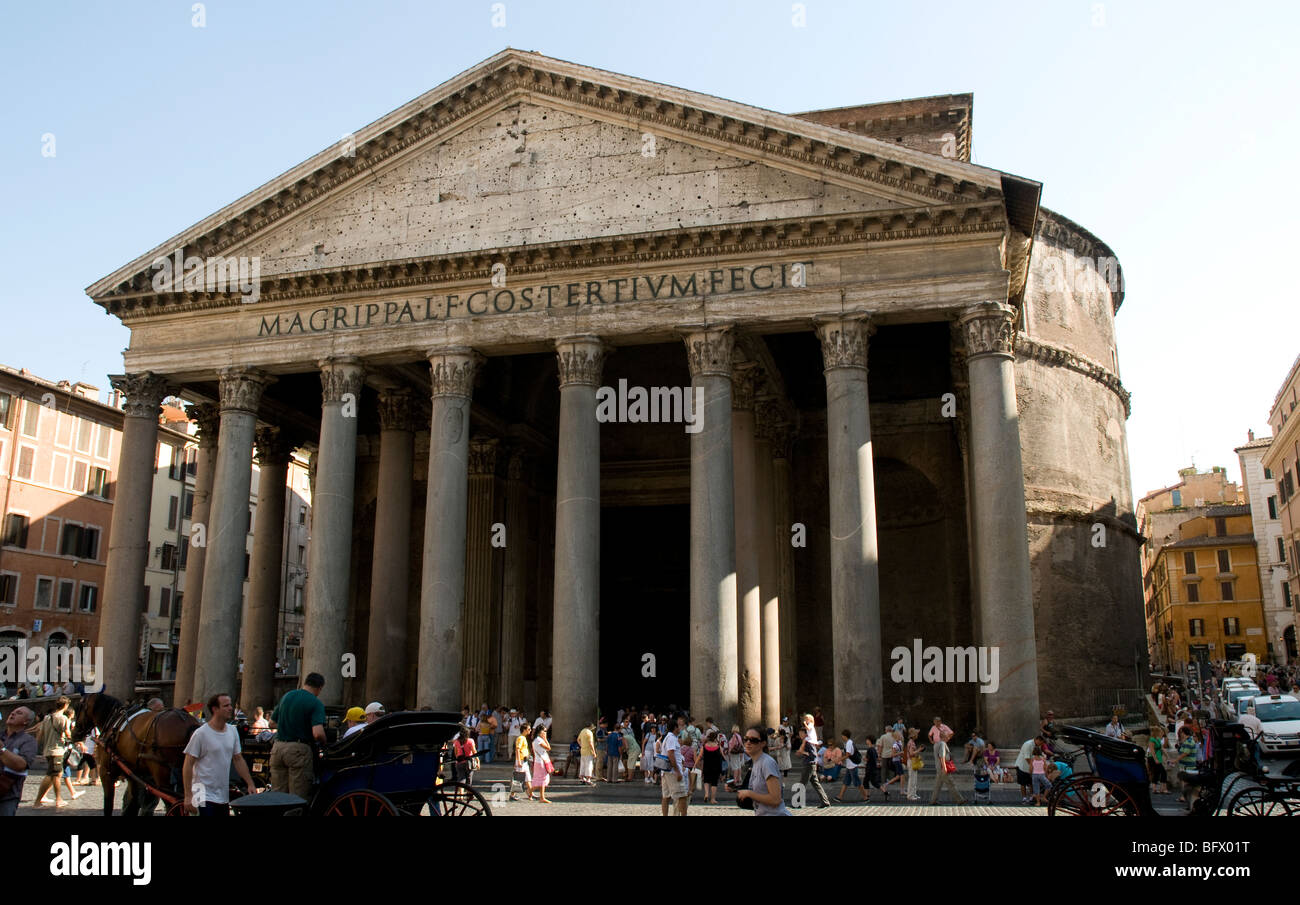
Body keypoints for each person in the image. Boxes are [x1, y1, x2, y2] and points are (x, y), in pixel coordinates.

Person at [183, 693, 257, 816]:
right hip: (200, 793)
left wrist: (250, 783)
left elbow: (238, 759)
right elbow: (188, 764)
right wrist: (188, 795)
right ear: (215, 709)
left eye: (230, 705)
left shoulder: (233, 731)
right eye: (226, 706)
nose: (230, 708)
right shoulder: (201, 733)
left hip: (222, 795)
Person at [268, 672, 327, 800]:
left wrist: (289, 725)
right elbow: (318, 733)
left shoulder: (287, 696)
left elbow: (271, 723)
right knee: (297, 796)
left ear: (305, 683)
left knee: (277, 796)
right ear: (320, 688)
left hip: (278, 748)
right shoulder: (315, 703)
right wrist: (325, 742)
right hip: (298, 750)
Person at [735, 726, 791, 816]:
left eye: (753, 740)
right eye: (746, 739)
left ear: (763, 743)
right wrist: (737, 789)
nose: (748, 742)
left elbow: (776, 799)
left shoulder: (767, 763)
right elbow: (759, 791)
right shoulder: (755, 762)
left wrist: (749, 794)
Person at [33, 696, 73, 808]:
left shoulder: (47, 717)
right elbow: (68, 734)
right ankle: (41, 800)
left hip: (48, 749)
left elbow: (40, 733)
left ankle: (54, 799)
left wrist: (36, 745)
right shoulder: (63, 718)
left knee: (56, 774)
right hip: (57, 750)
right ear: (65, 705)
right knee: (52, 775)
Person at [0, 706, 38, 817]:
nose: (12, 714)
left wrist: (2, 749)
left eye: (19, 713)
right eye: (12, 712)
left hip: (7, 795)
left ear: (26, 721)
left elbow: (21, 765)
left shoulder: (28, 741)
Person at [796, 718, 830, 808]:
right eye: (799, 733)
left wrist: (803, 752)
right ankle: (825, 801)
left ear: (805, 733)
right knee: (815, 783)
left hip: (809, 764)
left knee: (803, 783)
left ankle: (798, 802)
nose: (800, 735)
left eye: (801, 733)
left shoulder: (808, 742)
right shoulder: (806, 742)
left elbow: (813, 754)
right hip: (810, 763)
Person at [659, 718, 689, 815]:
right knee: (682, 796)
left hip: (666, 771)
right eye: (679, 726)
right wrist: (677, 771)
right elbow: (671, 754)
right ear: (675, 728)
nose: (680, 728)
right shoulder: (671, 738)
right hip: (673, 772)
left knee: (666, 796)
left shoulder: (667, 737)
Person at [930, 727, 967, 806]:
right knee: (951, 784)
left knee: (938, 785)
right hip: (943, 768)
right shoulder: (942, 744)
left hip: (939, 768)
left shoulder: (936, 744)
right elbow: (942, 756)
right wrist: (945, 768)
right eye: (948, 736)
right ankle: (960, 800)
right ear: (944, 736)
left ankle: (933, 800)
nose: (949, 737)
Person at [836, 730, 865, 802]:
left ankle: (865, 797)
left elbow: (848, 754)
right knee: (846, 782)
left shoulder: (849, 743)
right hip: (850, 766)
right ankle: (840, 796)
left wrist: (840, 759)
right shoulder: (848, 742)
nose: (842, 737)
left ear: (844, 736)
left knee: (857, 783)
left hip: (852, 766)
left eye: (842, 735)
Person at [1014, 735, 1042, 804]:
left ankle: (1032, 797)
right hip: (1022, 766)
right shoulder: (1028, 744)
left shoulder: (1037, 746)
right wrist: (1034, 766)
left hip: (1030, 768)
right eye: (1041, 743)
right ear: (1038, 740)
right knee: (1023, 783)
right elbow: (1027, 757)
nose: (1041, 744)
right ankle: (1024, 798)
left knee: (1031, 783)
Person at [510, 724, 533, 801]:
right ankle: (512, 795)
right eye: (529, 729)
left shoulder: (524, 738)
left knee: (528, 778)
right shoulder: (520, 738)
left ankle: (530, 793)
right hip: (521, 760)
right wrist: (519, 761)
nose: (530, 730)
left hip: (525, 761)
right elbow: (517, 749)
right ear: (524, 730)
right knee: (518, 779)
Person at [531, 725, 553, 803]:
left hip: (540, 761)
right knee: (542, 779)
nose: (545, 732)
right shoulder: (538, 740)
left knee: (542, 779)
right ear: (540, 731)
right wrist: (545, 739)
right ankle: (530, 791)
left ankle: (542, 797)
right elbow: (548, 748)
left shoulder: (538, 740)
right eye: (544, 731)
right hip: (540, 762)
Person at [700, 731, 723, 804]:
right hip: (716, 766)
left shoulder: (704, 746)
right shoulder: (718, 746)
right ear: (715, 738)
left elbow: (700, 756)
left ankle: (706, 794)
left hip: (706, 766)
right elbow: (722, 755)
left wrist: (696, 765)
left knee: (706, 781)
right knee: (714, 783)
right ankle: (712, 799)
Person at [1146, 725, 1168, 794]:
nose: (1160, 733)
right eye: (1159, 731)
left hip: (1158, 757)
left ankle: (1155, 788)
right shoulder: (1152, 740)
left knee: (1157, 772)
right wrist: (1155, 759)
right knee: (1162, 772)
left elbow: (1161, 748)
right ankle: (1163, 788)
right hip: (1153, 758)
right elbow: (1152, 751)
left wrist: (1167, 756)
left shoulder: (1158, 739)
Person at [904, 727, 922, 801]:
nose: (917, 735)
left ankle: (913, 794)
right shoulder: (911, 743)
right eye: (916, 734)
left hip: (912, 761)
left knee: (914, 778)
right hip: (912, 761)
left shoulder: (911, 742)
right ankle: (910, 795)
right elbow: (911, 753)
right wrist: (919, 750)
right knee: (912, 779)